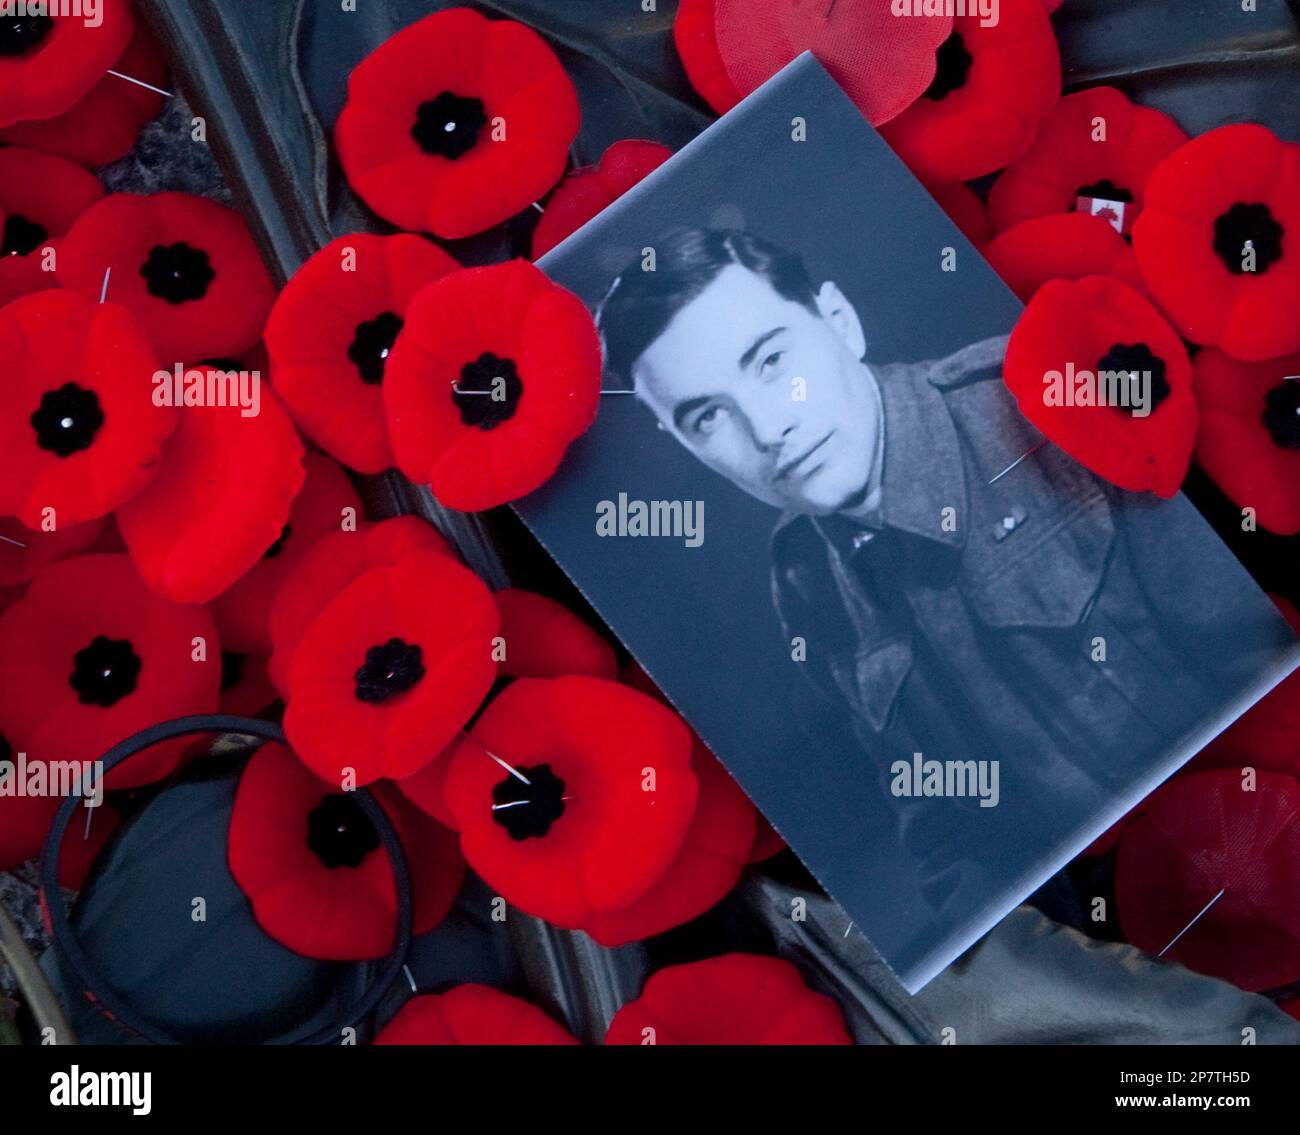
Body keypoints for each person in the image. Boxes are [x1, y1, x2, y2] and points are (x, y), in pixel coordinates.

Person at [596, 226, 1286, 911]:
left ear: (840, 322)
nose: (767, 428)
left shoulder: (1036, 402)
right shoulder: (803, 579)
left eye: (772, 361)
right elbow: (947, 835)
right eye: (708, 416)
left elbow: (1256, 652)